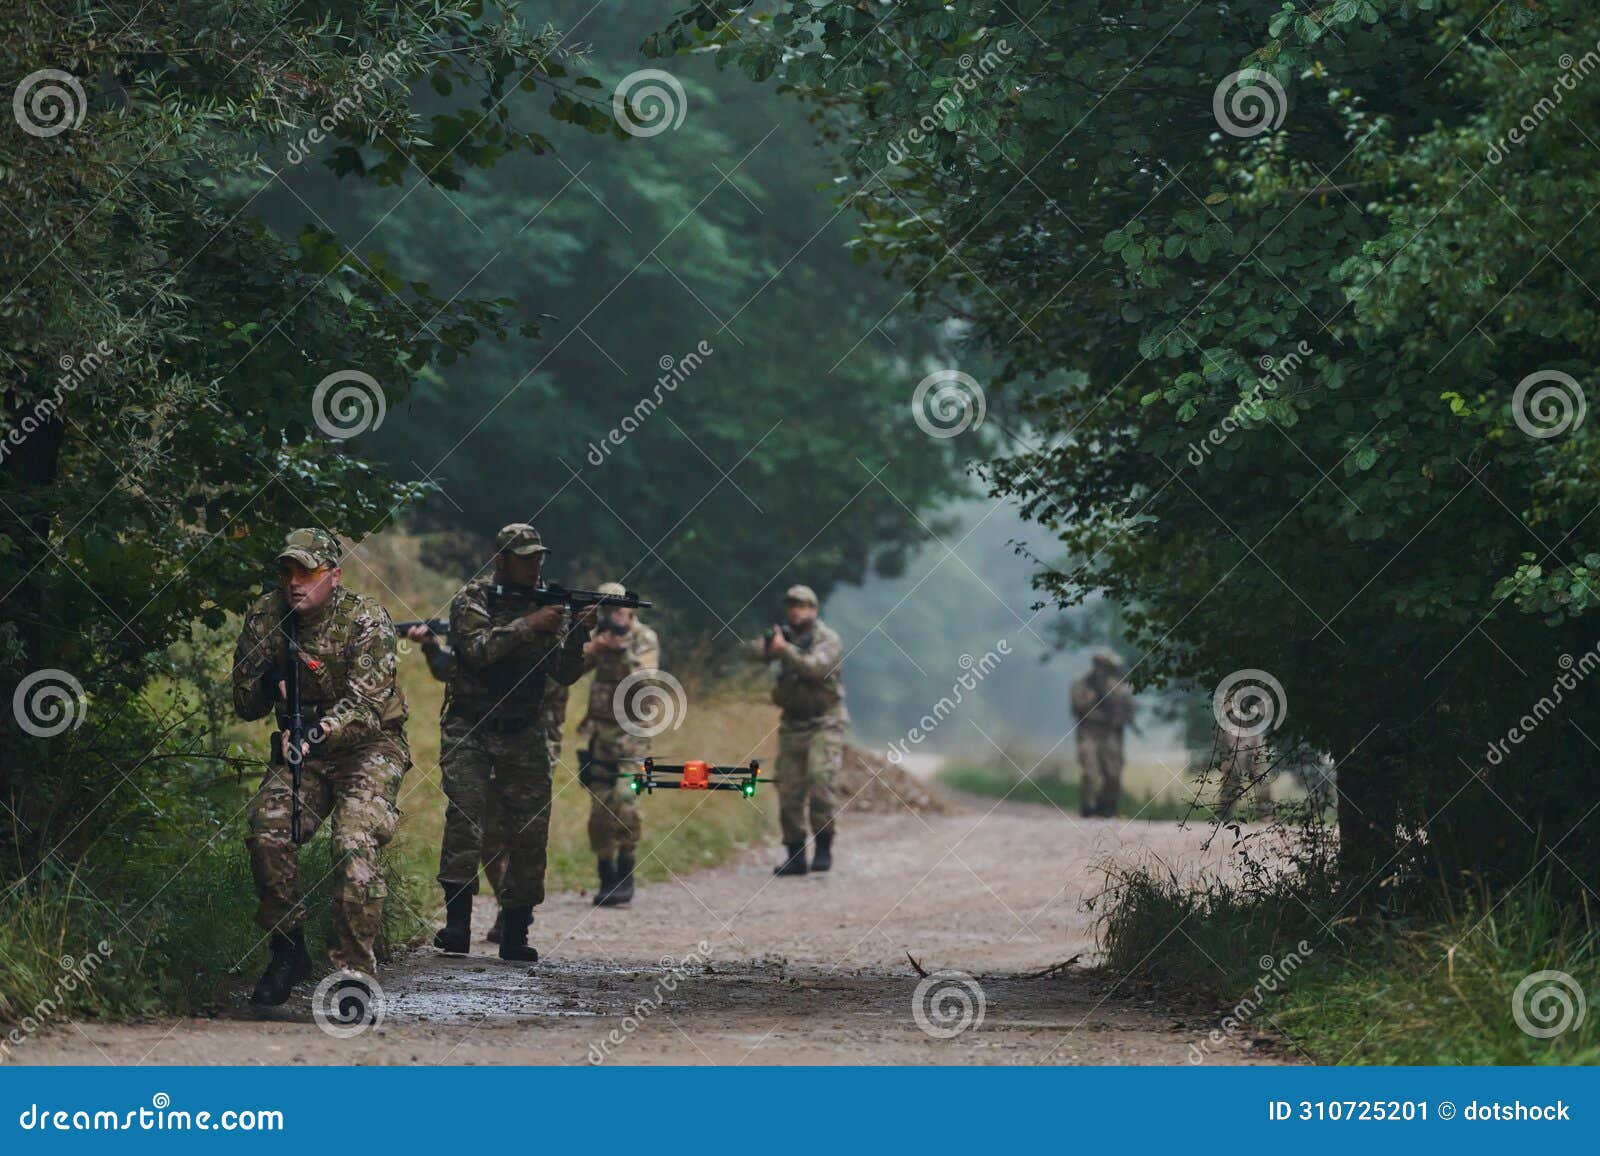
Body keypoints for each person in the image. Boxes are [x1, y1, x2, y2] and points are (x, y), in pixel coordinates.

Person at [232, 528, 409, 1005]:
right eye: (288, 572)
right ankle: (288, 949)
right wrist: (269, 683)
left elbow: (367, 707)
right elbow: (243, 701)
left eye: (307, 572)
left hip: (367, 749)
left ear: (333, 575)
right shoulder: (267, 617)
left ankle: (352, 972)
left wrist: (316, 732)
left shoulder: (365, 619)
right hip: (302, 752)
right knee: (268, 829)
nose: (295, 583)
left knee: (353, 842)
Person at [433, 523, 593, 962]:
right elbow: (478, 650)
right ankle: (457, 924)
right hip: (469, 725)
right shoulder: (473, 599)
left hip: (523, 729)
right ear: (500, 560)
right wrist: (528, 625)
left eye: (537, 557)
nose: (533, 565)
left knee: (529, 830)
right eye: (523, 557)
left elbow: (564, 673)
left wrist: (577, 632)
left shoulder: (549, 604)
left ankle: (517, 929)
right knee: (466, 817)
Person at [405, 624, 571, 942]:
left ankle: (516, 917)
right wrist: (431, 646)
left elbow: (554, 677)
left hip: (531, 745)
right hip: (482, 741)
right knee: (485, 832)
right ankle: (498, 911)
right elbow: (453, 671)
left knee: (522, 831)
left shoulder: (543, 637)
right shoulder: (483, 626)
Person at [742, 585, 847, 876]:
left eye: (801, 606)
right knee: (788, 788)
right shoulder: (784, 637)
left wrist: (784, 651)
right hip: (793, 722)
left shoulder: (828, 640)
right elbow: (749, 652)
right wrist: (767, 646)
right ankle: (795, 853)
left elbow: (816, 667)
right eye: (791, 605)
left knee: (820, 780)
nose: (795, 611)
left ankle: (824, 845)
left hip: (825, 722)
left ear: (814, 610)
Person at [578, 581, 660, 906]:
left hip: (632, 736)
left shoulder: (644, 638)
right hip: (599, 734)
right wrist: (595, 646)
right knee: (599, 809)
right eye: (607, 610)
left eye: (619, 610)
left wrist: (622, 648)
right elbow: (570, 668)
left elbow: (647, 679)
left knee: (626, 800)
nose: (613, 617)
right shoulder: (596, 635)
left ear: (630, 611)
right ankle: (605, 872)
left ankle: (626, 870)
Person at [1070, 649, 1136, 818]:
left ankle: (1107, 807)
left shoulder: (1118, 686)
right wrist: (1095, 695)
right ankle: (1088, 807)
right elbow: (1078, 707)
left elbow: (1129, 708)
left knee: (1113, 773)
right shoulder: (1082, 683)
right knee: (1090, 771)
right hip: (1089, 732)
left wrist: (1118, 713)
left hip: (1110, 733)